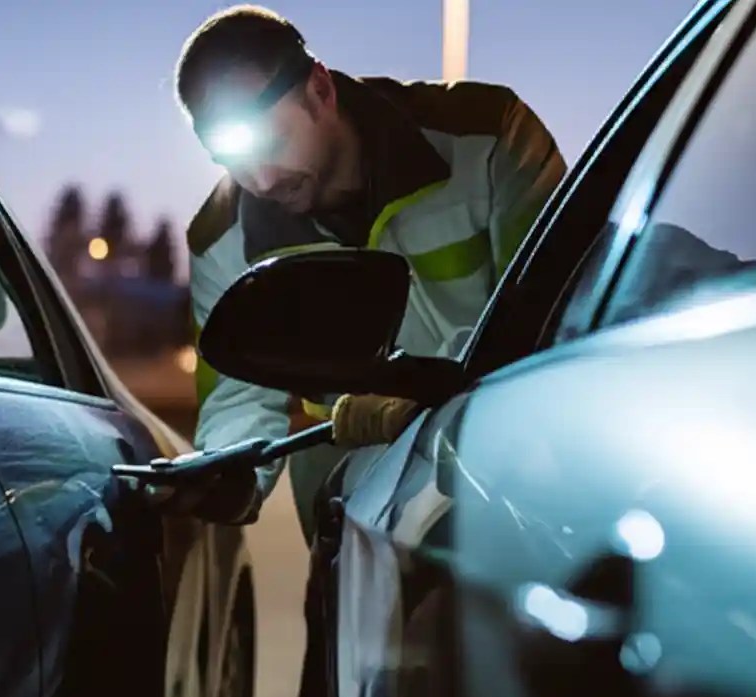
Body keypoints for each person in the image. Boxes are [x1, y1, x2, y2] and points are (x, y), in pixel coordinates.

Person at [168, 4, 568, 538]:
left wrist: (437, 407)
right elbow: (238, 397)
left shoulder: (488, 139)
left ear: (319, 89)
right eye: (230, 159)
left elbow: (555, 317)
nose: (260, 179)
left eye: (272, 142)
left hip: (512, 475)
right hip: (348, 499)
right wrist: (229, 475)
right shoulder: (221, 237)